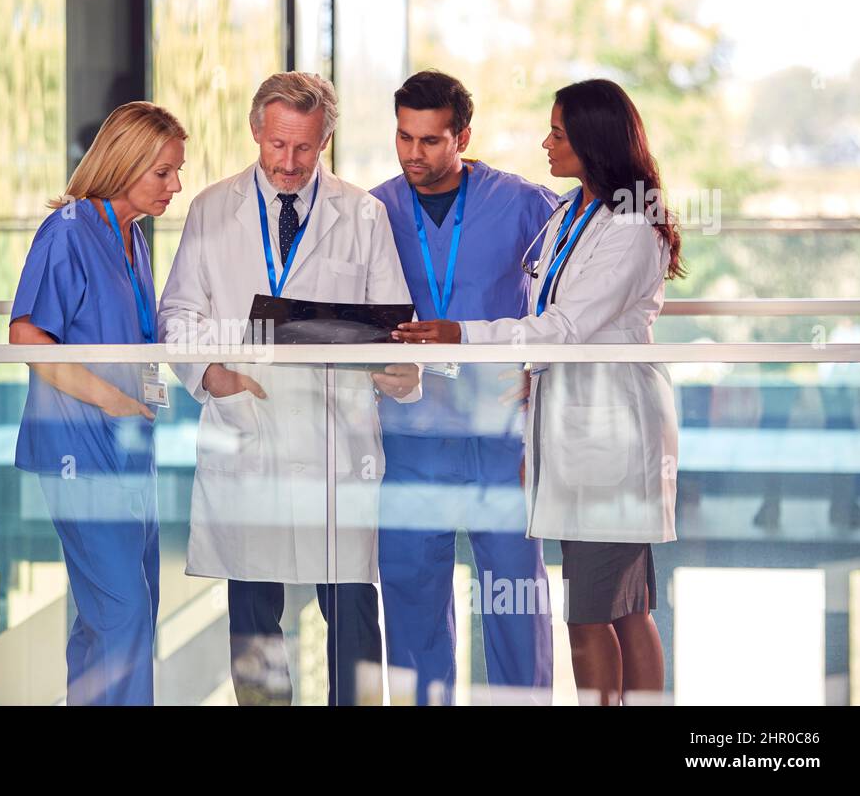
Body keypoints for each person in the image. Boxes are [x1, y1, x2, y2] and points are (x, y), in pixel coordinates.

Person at [393, 79, 685, 706]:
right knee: (615, 605)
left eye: (558, 133)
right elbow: (547, 305)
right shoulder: (572, 212)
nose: (545, 143)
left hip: (611, 432)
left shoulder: (632, 224)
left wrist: (460, 334)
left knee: (602, 611)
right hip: (565, 426)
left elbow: (566, 326)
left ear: (592, 141)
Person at [159, 71, 418, 706]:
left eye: (305, 148)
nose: (289, 163)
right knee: (253, 615)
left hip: (338, 437)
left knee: (352, 612)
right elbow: (178, 316)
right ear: (256, 131)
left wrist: (396, 369)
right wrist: (211, 377)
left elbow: (391, 324)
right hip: (250, 431)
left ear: (325, 140)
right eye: (277, 145)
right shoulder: (211, 210)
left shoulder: (362, 212)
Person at [370, 70, 557, 705]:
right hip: (409, 432)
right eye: (403, 138)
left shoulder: (524, 202)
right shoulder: (373, 210)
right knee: (412, 591)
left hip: (499, 428)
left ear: (463, 137)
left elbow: (569, 294)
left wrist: (543, 369)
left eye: (429, 140)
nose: (413, 154)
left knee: (514, 594)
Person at [9, 101, 187, 706]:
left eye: (177, 171)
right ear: (125, 163)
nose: (176, 185)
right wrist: (112, 400)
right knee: (125, 612)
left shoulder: (132, 237)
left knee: (111, 614)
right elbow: (29, 338)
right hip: (77, 451)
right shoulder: (67, 231)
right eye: (162, 172)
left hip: (130, 447)